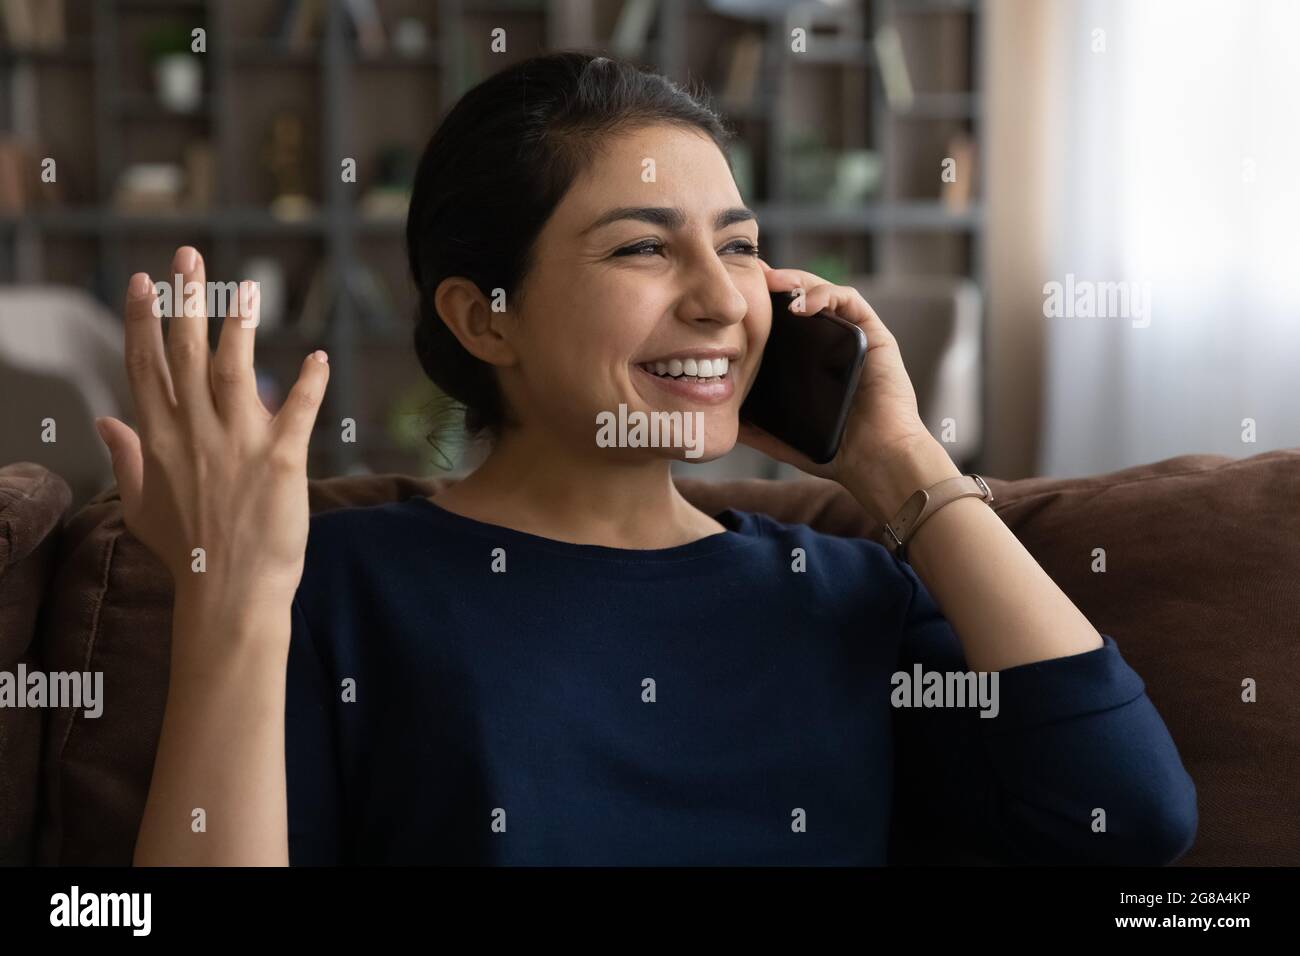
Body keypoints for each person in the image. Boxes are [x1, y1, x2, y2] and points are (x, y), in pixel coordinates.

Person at [101, 51, 1196, 866]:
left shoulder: (848, 588)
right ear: (486, 319)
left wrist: (900, 458)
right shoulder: (332, 585)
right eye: (642, 246)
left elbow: (1132, 817)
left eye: (737, 243)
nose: (723, 299)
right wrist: (232, 604)